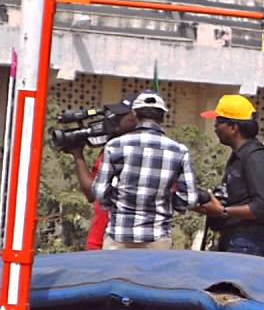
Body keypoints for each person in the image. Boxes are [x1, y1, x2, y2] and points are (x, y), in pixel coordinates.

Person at [76, 92, 199, 249]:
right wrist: (166, 202)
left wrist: (116, 201)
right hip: (157, 238)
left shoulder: (115, 146)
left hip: (119, 236)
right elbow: (189, 199)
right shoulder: (179, 151)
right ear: (163, 117)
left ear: (135, 114)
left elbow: (99, 191)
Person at [196, 94, 264, 256]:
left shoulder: (257, 158)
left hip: (247, 242)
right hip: (234, 238)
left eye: (219, 121)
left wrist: (223, 211)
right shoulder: (240, 156)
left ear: (234, 128)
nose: (214, 126)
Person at [69, 95, 140, 250]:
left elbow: (91, 192)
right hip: (106, 243)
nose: (115, 120)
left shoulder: (116, 150)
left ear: (135, 119)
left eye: (122, 116)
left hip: (111, 244)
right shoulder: (113, 148)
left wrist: (77, 155)